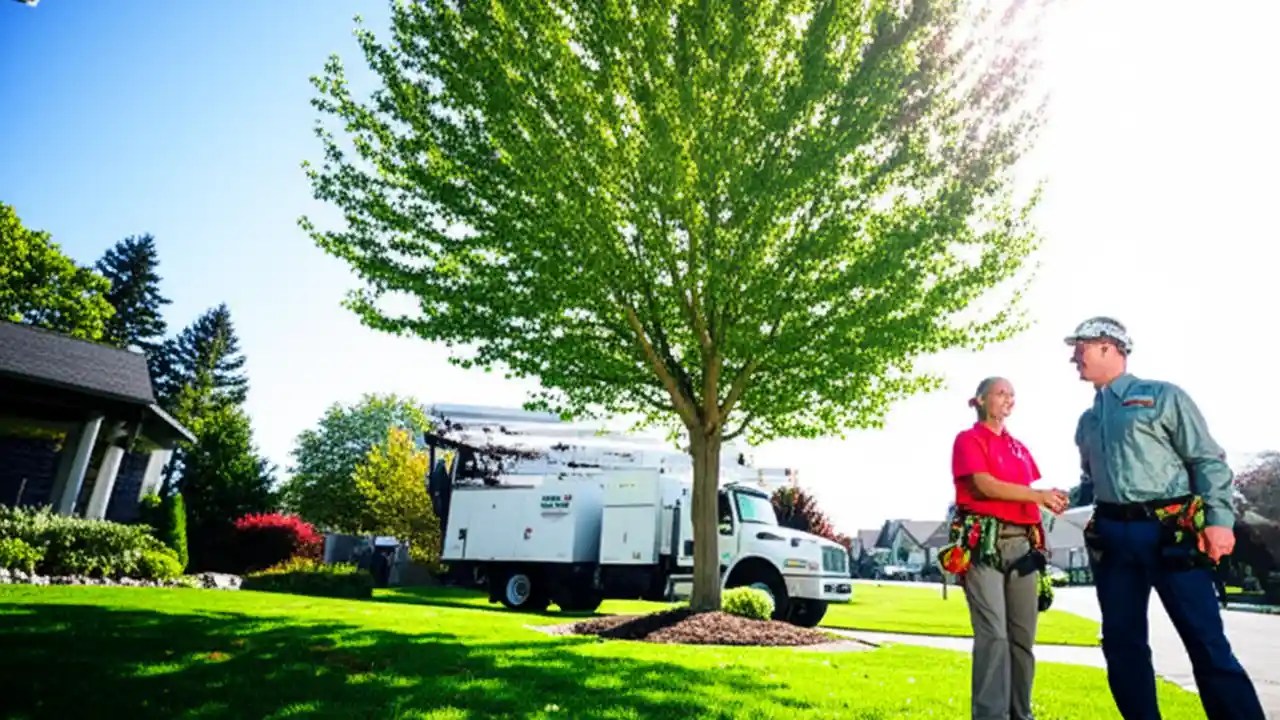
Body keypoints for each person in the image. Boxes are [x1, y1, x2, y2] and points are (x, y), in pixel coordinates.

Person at [1066, 316, 1265, 720]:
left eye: (1081, 347)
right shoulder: (1087, 422)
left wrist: (1219, 520)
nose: (1074, 357)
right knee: (1122, 644)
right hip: (1113, 539)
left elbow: (1207, 460)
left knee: (1206, 641)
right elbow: (1092, 482)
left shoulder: (1163, 396)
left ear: (1109, 347)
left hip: (1170, 534)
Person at [940, 376, 1069, 720]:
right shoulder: (968, 440)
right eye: (1001, 393)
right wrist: (1037, 496)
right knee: (993, 635)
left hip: (1022, 547)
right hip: (985, 545)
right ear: (980, 400)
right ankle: (990, 715)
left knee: (1022, 639)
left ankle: (1020, 714)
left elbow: (1026, 495)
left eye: (1012, 395)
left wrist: (1045, 515)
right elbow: (984, 486)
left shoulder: (1018, 447)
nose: (1008, 399)